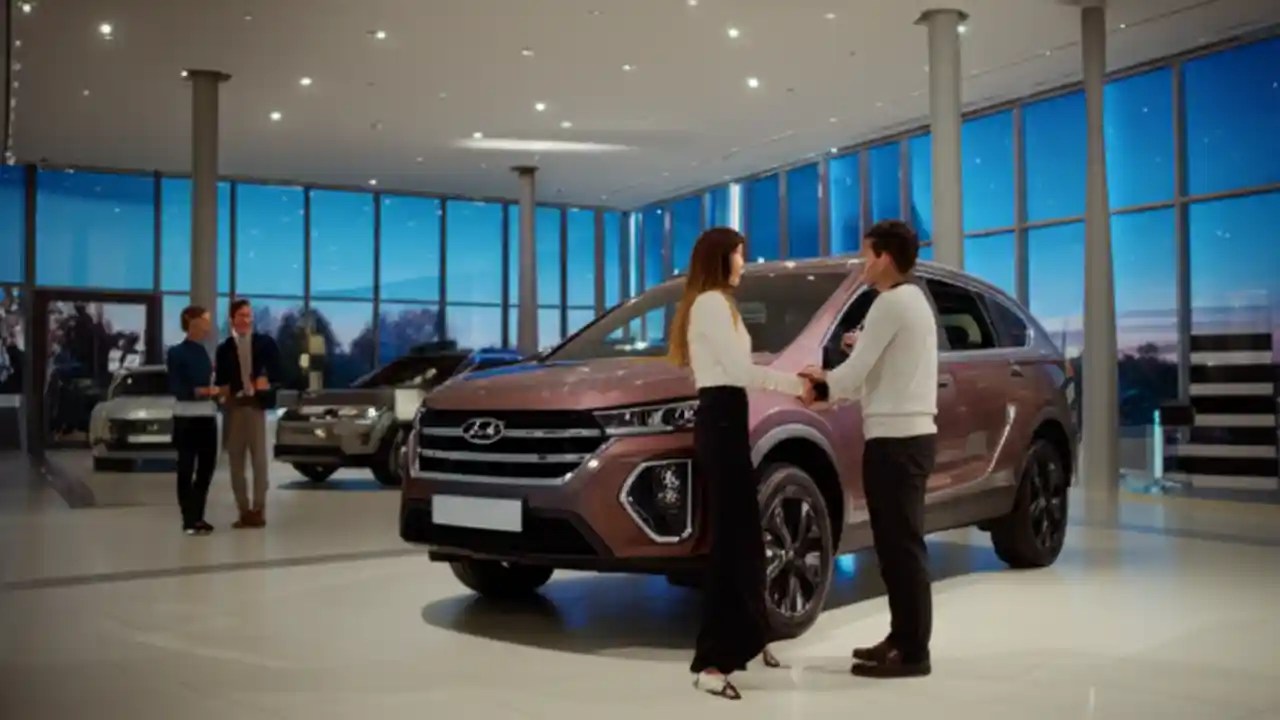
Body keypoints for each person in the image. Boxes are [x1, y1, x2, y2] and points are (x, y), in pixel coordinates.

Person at [667, 227, 814, 700]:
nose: (744, 264)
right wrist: (797, 386)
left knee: (744, 539)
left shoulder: (713, 304)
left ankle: (748, 637)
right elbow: (739, 372)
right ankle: (711, 662)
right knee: (733, 544)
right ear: (721, 258)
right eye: (739, 255)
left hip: (726, 419)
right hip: (723, 419)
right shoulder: (712, 304)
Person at [799, 220, 939, 679]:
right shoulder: (912, 301)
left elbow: (854, 375)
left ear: (884, 257)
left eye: (866, 255)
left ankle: (912, 652)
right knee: (899, 546)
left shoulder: (890, 303)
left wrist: (821, 384)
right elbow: (875, 371)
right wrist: (847, 369)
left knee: (900, 548)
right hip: (907, 438)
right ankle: (902, 639)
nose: (862, 264)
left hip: (896, 442)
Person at [215, 299, 281, 529]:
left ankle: (259, 509)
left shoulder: (265, 344)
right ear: (232, 319)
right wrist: (222, 394)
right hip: (234, 407)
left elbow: (280, 373)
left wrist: (267, 382)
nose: (245, 319)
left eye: (248, 315)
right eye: (241, 315)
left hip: (256, 407)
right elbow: (221, 381)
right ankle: (243, 511)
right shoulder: (224, 349)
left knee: (259, 461)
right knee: (236, 461)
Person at [167, 305, 219, 536]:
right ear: (193, 322)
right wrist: (202, 391)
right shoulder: (176, 352)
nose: (208, 325)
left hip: (207, 416)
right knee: (186, 467)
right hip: (186, 418)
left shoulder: (204, 351)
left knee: (206, 467)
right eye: (205, 320)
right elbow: (178, 387)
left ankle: (198, 515)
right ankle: (188, 518)